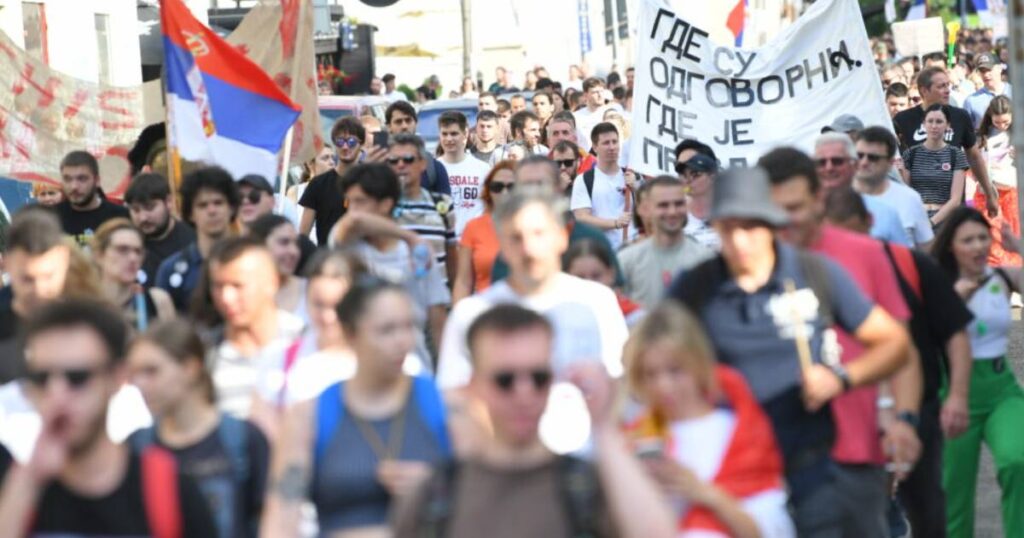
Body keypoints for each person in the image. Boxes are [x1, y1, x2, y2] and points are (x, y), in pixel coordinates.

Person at [668, 166, 910, 535]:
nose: (739, 239)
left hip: (810, 473)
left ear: (771, 223)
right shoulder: (695, 287)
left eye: (750, 226)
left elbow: (893, 342)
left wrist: (840, 378)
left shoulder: (813, 272)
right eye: (728, 226)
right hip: (731, 475)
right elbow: (651, 357)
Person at [394, 304, 676, 538]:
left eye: (538, 378)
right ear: (473, 386)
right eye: (505, 380)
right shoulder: (436, 496)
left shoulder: (587, 487)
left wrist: (603, 426)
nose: (524, 393)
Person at [760, 147, 920, 535]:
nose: (786, 221)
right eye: (774, 209)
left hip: (855, 452)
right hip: (772, 460)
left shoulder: (865, 254)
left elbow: (903, 350)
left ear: (818, 197)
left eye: (795, 206)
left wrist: (904, 420)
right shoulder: (746, 264)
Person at [824, 187, 973, 538]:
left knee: (925, 511)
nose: (848, 244)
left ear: (869, 224)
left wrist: (957, 396)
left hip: (915, 410)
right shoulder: (817, 273)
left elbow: (955, 332)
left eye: (853, 231)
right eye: (836, 234)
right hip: (849, 417)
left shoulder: (909, 265)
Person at [0, 299, 217, 537]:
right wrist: (26, 483)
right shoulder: (19, 490)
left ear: (116, 378)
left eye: (77, 378)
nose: (57, 395)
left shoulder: (169, 491)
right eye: (41, 378)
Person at [262, 279, 454, 537]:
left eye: (409, 327)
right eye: (387, 330)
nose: (402, 341)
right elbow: (282, 517)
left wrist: (436, 486)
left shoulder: (448, 406)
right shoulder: (308, 416)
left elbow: (485, 500)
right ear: (351, 334)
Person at [624, 303, 795, 538]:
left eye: (675, 371)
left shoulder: (740, 432)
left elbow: (767, 532)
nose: (663, 386)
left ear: (698, 363)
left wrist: (703, 493)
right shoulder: (637, 441)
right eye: (650, 374)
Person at [438, 187, 628, 397]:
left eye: (538, 234)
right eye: (516, 238)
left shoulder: (598, 302)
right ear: (502, 244)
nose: (528, 249)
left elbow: (619, 385)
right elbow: (454, 398)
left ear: (562, 236)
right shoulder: (471, 314)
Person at [128, 319, 270, 538]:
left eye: (151, 371)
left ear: (190, 368)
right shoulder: (137, 446)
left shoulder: (244, 439)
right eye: (135, 374)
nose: (140, 384)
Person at [931, 207, 1024, 538]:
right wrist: (956, 300)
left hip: (1002, 389)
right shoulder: (939, 284)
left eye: (982, 238)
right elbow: (924, 336)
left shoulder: (1001, 277)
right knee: (955, 496)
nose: (977, 246)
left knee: (1018, 461)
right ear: (952, 246)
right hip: (955, 393)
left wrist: (1020, 249)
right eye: (967, 240)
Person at [332, 163, 450, 370]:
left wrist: (445, 374)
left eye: (360, 202)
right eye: (348, 202)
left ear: (386, 204)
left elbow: (437, 316)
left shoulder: (418, 253)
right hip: (359, 370)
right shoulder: (345, 244)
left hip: (412, 367)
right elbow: (354, 221)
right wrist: (409, 236)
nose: (352, 210)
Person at [201, 237, 304, 422]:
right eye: (218, 286)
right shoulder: (205, 355)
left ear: (272, 283)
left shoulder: (305, 341)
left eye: (238, 285)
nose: (226, 297)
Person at [892, 67, 999, 216]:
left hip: (953, 206)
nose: (947, 90)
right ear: (924, 90)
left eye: (948, 85)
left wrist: (989, 192)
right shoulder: (902, 120)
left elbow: (974, 156)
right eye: (941, 86)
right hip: (918, 208)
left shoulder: (960, 116)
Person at [0, 208, 74, 383]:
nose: (39, 289)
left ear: (64, 260)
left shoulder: (91, 328)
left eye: (48, 277)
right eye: (27, 279)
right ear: (7, 264)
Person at [618, 176, 714, 308]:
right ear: (645, 209)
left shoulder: (706, 259)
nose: (672, 212)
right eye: (663, 205)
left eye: (678, 204)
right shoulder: (627, 260)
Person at [155, 167, 240, 312]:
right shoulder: (170, 270)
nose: (212, 211)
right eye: (202, 205)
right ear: (190, 214)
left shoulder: (253, 263)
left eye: (218, 202)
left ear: (231, 208)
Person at [814, 132, 912, 246]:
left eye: (837, 161)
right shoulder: (800, 216)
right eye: (821, 162)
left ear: (854, 165)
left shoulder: (885, 214)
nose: (829, 167)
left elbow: (903, 259)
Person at [388, 134, 458, 281]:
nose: (401, 165)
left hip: (437, 298)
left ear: (423, 164)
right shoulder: (382, 205)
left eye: (408, 159)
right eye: (394, 161)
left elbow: (452, 257)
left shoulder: (443, 204)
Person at [853, 126, 935, 250]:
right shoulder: (837, 197)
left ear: (890, 163)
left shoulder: (909, 198)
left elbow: (926, 249)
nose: (864, 162)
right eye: (859, 155)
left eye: (873, 157)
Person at [91, 219, 175, 330]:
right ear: (99, 256)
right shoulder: (82, 304)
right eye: (122, 250)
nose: (133, 258)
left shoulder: (158, 301)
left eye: (138, 251)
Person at [453, 161, 517, 303]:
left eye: (511, 187)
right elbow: (464, 282)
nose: (504, 192)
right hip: (485, 311)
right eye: (497, 187)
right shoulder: (473, 227)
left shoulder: (535, 226)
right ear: (488, 191)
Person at [570, 122, 637, 250]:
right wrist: (615, 223)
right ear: (595, 147)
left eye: (614, 142)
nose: (612, 147)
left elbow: (648, 210)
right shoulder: (584, 180)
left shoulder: (632, 176)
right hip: (602, 250)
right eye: (606, 143)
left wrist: (636, 188)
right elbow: (582, 217)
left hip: (632, 248)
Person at [901, 104, 969, 229]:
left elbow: (955, 199)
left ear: (948, 125)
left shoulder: (956, 154)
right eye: (930, 121)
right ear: (924, 124)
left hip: (945, 221)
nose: (934, 126)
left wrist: (932, 222)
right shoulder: (910, 154)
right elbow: (905, 193)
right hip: (916, 219)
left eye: (939, 122)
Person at [299, 117, 364, 246]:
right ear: (334, 144)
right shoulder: (318, 184)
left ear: (360, 144)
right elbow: (302, 236)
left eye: (351, 142)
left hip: (362, 260)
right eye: (340, 142)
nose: (345, 147)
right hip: (327, 259)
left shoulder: (370, 182)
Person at [124, 172, 196, 287]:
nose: (143, 217)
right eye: (136, 210)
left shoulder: (192, 242)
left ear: (168, 202)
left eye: (150, 207)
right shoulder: (126, 246)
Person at [976, 95, 1020, 266]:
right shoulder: (982, 136)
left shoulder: (1018, 134)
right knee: (991, 234)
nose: (1001, 126)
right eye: (997, 122)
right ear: (990, 117)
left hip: (1011, 192)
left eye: (1006, 122)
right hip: (987, 192)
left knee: (1013, 233)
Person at [54, 150, 130, 247]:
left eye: (82, 179)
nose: (74, 186)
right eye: (67, 179)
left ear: (97, 180)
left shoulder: (120, 217)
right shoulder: (50, 217)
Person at [565, 238, 645, 326]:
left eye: (596, 276)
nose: (589, 284)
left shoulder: (634, 317)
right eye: (580, 278)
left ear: (611, 274)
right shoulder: (557, 318)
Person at [438, 111, 491, 237]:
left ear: (465, 134)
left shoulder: (483, 169)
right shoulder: (434, 169)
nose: (449, 139)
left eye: (454, 134)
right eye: (444, 134)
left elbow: (491, 207)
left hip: (475, 241)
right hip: (444, 241)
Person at [248, 214, 308, 325]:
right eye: (284, 242)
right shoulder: (241, 293)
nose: (294, 251)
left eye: (296, 244)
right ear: (260, 245)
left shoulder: (311, 292)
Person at [674, 140, 721, 251]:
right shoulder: (673, 214)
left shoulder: (733, 211)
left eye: (694, 173)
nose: (687, 179)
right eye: (682, 172)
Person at [963, 52, 1012, 128]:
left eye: (989, 70)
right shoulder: (971, 101)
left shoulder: (1016, 93)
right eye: (982, 71)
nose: (986, 74)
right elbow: (967, 132)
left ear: (999, 68)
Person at [573, 77, 610, 151]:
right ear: (586, 95)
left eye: (601, 91)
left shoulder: (612, 113)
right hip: (585, 159)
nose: (599, 95)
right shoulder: (576, 117)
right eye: (595, 92)